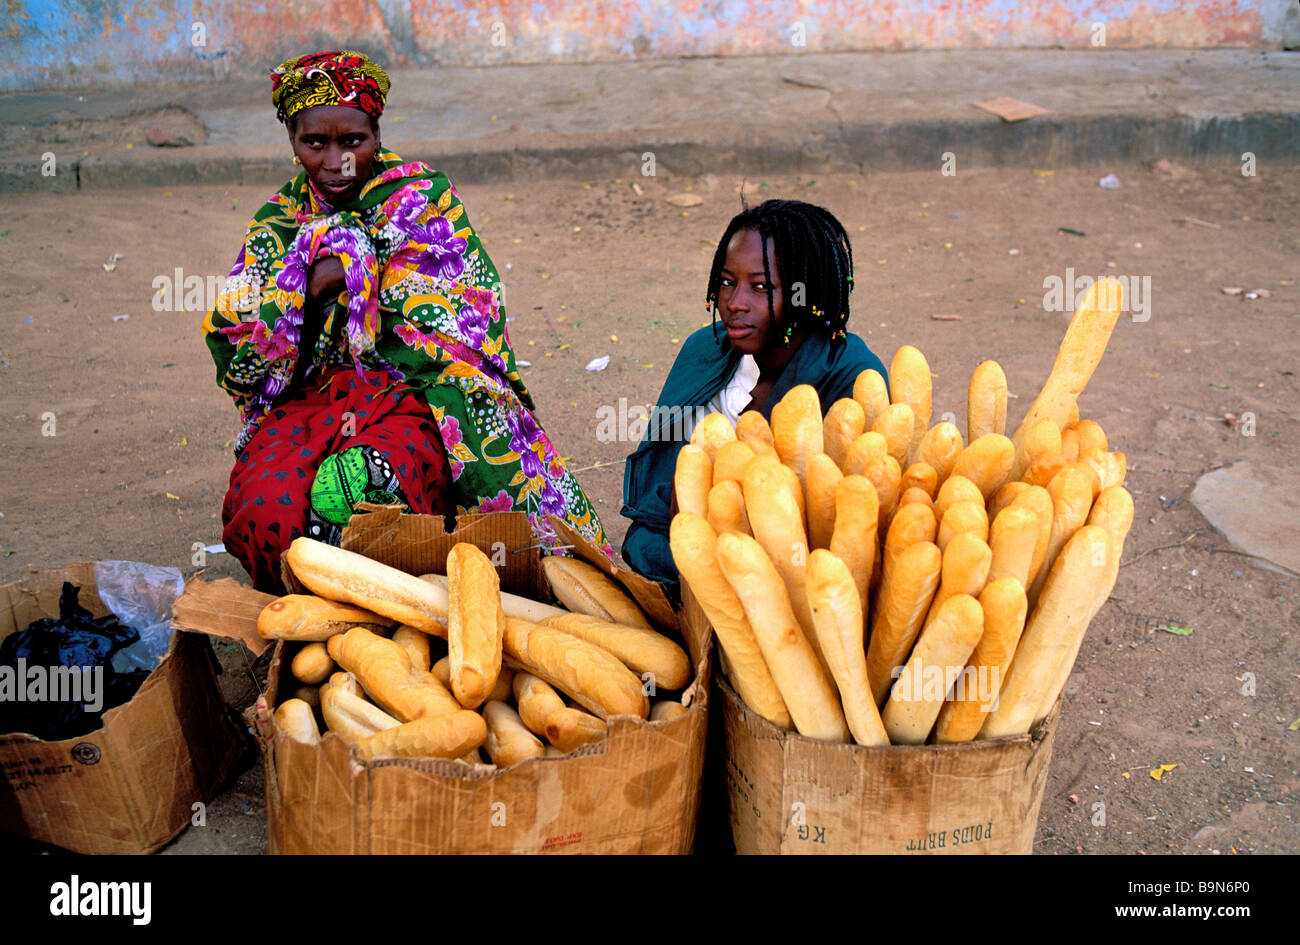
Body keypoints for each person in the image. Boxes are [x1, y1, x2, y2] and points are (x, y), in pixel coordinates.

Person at [203, 50, 607, 593]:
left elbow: (465, 319)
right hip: (312, 400)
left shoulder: (422, 201)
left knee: (364, 490)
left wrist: (354, 274)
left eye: (354, 140)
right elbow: (235, 341)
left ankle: (396, 597)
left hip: (412, 392)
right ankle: (306, 605)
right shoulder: (276, 224)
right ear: (292, 140)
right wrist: (312, 287)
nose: (337, 161)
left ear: (376, 131)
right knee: (265, 510)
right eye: (314, 143)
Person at [620, 198, 889, 592]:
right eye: (728, 282)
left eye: (760, 287)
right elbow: (665, 495)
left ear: (803, 294)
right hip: (689, 559)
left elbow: (854, 522)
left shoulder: (853, 378)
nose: (734, 303)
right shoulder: (705, 353)